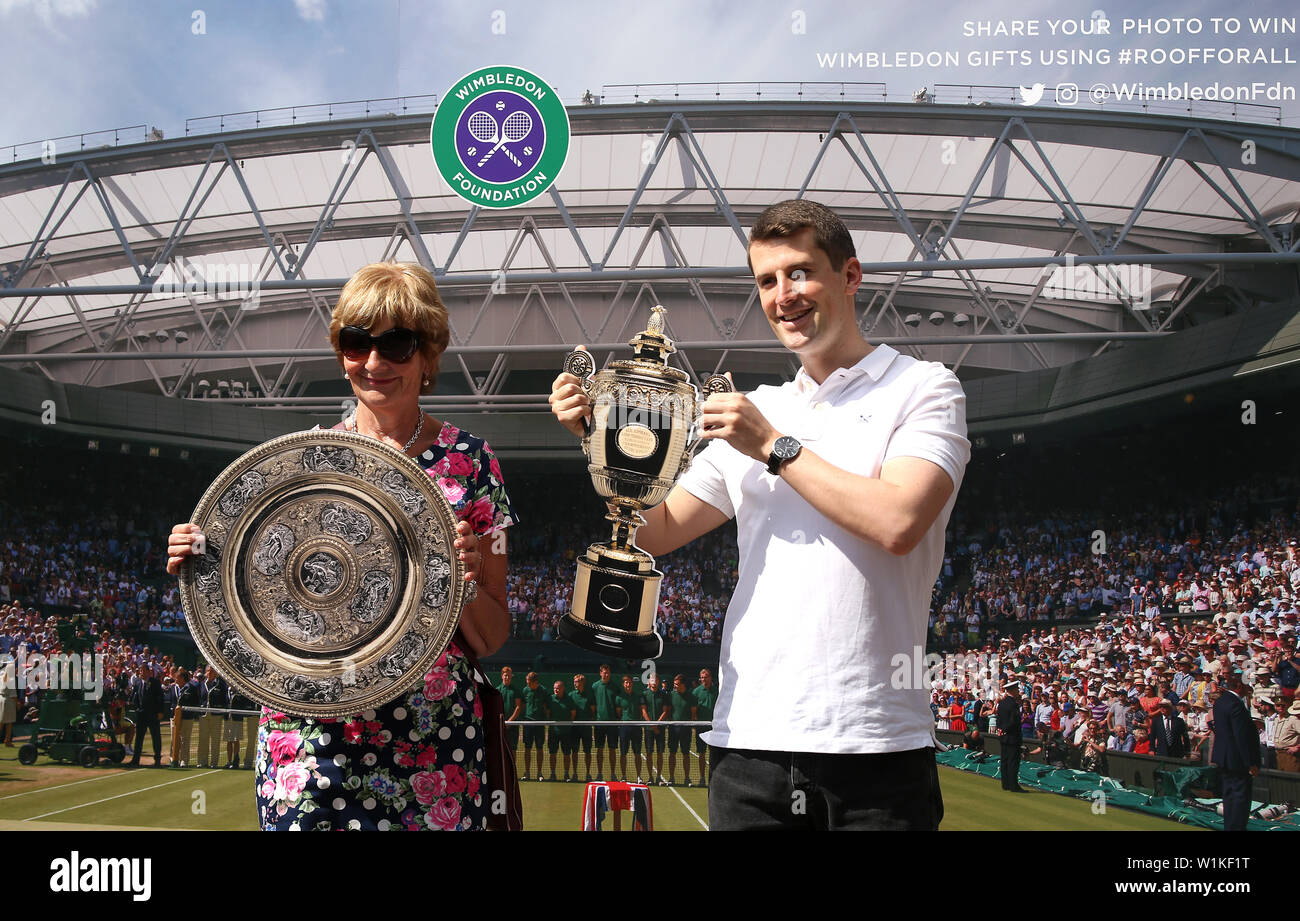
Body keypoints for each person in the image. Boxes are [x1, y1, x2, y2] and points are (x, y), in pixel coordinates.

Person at [549, 199, 969, 830]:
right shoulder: (757, 407)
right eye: (766, 281)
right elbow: (656, 532)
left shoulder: (924, 387)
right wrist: (601, 439)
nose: (783, 296)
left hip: (876, 746)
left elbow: (899, 521)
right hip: (749, 742)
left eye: (799, 273)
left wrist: (774, 447)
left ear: (850, 276)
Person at [167, 262, 513, 831]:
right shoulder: (296, 465)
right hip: (311, 742)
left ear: (428, 356)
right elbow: (257, 608)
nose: (374, 363)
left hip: (432, 747)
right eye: (357, 342)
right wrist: (202, 557)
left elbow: (494, 635)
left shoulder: (472, 463)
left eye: (396, 345)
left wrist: (467, 580)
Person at [1210, 673, 1261, 831]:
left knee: (1229, 795)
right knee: (1240, 798)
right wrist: (1250, 763)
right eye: (1246, 686)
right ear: (1239, 686)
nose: (1248, 689)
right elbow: (1241, 736)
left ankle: (1231, 827)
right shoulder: (1236, 705)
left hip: (1224, 757)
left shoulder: (1220, 702)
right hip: (1237, 760)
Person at [128, 663, 165, 768]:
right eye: (140, 671)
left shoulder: (155, 682)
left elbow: (160, 698)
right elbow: (134, 697)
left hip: (153, 714)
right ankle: (135, 760)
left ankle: (157, 760)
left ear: (149, 672)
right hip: (141, 714)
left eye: (144, 670)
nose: (142, 673)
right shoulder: (137, 682)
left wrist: (160, 711)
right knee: (139, 738)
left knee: (156, 737)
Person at [996, 680, 1026, 792]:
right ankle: (1013, 785)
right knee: (1013, 761)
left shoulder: (1002, 703)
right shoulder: (1013, 704)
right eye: (1016, 689)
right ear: (1012, 690)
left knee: (1005, 760)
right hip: (1013, 736)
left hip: (1003, 736)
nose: (1018, 691)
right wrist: (1005, 729)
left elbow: (999, 719)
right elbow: (1014, 721)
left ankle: (1005, 784)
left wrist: (1001, 730)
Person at [591, 663, 618, 780]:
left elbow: (618, 706)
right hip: (599, 724)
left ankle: (613, 774)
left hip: (612, 724)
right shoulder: (595, 686)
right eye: (604, 672)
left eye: (608, 672)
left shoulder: (615, 687)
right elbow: (593, 706)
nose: (606, 674)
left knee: (612, 750)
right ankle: (600, 773)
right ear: (600, 673)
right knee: (600, 749)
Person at [615, 674, 644, 782]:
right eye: (626, 682)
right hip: (624, 727)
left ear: (632, 684)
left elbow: (641, 711)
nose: (628, 684)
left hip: (636, 727)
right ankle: (623, 776)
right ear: (623, 684)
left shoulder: (638, 696)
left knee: (637, 753)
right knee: (623, 753)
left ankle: (638, 776)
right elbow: (619, 712)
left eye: (630, 682)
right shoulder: (619, 697)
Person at [547, 679, 576, 782]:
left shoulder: (569, 699)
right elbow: (548, 713)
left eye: (558, 688)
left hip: (566, 732)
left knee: (567, 754)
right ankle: (553, 774)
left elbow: (573, 713)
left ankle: (566, 774)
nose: (556, 690)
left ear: (563, 689)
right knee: (552, 753)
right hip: (553, 732)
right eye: (555, 688)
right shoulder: (550, 699)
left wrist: (566, 724)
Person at [692, 668, 717, 786]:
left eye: (705, 677)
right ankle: (702, 778)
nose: (703, 679)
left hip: (714, 727)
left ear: (710, 677)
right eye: (702, 677)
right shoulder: (696, 692)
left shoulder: (716, 691)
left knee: (714, 754)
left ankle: (714, 778)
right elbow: (693, 710)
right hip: (701, 727)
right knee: (701, 753)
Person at [569, 672, 596, 782]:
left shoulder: (589, 695)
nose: (576, 684)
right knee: (574, 751)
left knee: (587, 751)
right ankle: (574, 773)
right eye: (574, 682)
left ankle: (588, 773)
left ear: (583, 683)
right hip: (574, 728)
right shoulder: (571, 695)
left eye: (578, 682)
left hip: (586, 728)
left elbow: (593, 710)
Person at [498, 666, 522, 759]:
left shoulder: (516, 690)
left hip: (513, 725)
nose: (507, 677)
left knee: (513, 750)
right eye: (505, 675)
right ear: (502, 676)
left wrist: (510, 721)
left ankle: (512, 771)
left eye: (509, 675)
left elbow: (518, 707)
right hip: (501, 724)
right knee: (501, 749)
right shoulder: (498, 690)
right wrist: (503, 721)